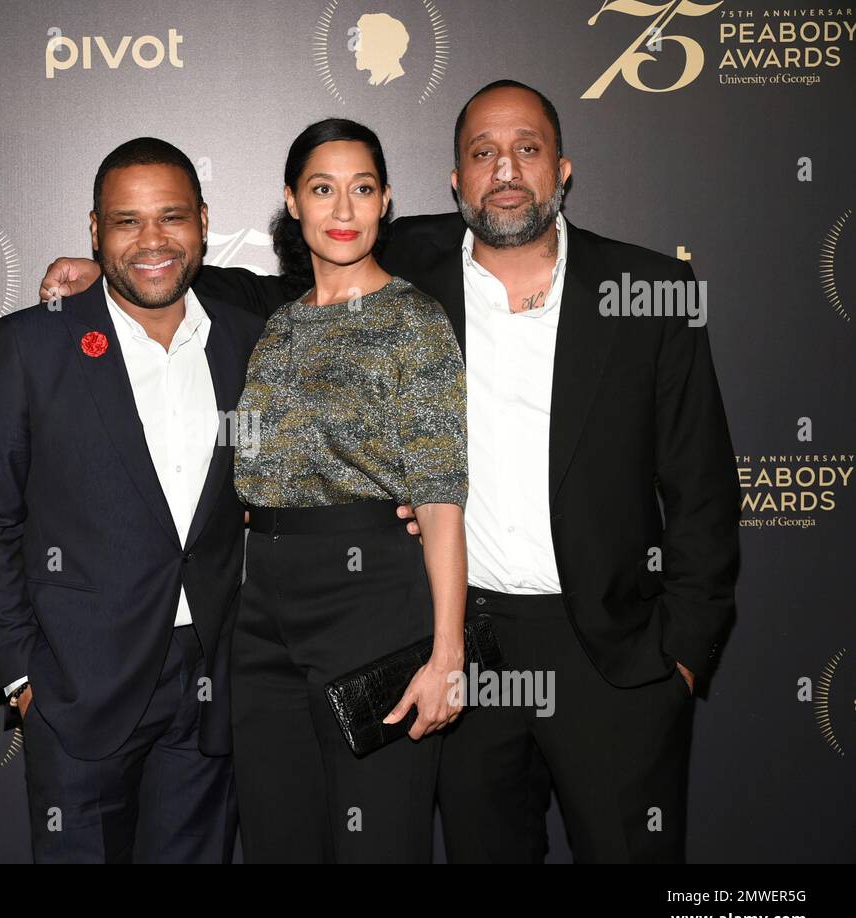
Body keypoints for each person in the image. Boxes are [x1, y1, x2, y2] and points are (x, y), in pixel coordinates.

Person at [45, 80, 739, 863]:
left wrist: (682, 658)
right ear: (455, 180)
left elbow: (703, 488)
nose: (504, 170)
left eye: (527, 150)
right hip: (469, 635)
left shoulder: (642, 292)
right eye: (483, 153)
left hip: (606, 650)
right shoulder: (392, 271)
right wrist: (108, 262)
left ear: (564, 168)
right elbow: (258, 285)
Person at [0, 138, 267, 863]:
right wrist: (23, 678)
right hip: (78, 688)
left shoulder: (245, 341)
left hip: (210, 685)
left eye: (172, 218)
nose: (152, 241)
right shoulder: (30, 347)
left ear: (204, 223)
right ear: (93, 230)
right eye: (127, 223)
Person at [231, 119, 466, 863]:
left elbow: (439, 498)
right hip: (262, 608)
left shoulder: (416, 321)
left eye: (362, 189)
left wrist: (448, 654)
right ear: (292, 202)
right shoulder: (275, 326)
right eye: (322, 189)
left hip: (373, 605)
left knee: (380, 846)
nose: (342, 208)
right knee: (279, 841)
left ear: (386, 201)